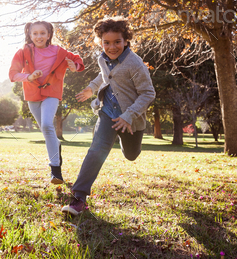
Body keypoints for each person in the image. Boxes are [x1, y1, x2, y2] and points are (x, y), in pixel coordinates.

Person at [61, 17, 155, 215]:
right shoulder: (102, 58)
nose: (112, 47)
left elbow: (148, 93)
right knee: (96, 150)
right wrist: (91, 88)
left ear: (126, 41)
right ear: (100, 42)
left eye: (117, 42)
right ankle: (79, 197)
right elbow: (104, 76)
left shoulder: (135, 64)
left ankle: (123, 139)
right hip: (107, 112)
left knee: (131, 155)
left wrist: (129, 115)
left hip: (130, 119)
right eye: (106, 42)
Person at [9, 21, 85, 184]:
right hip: (32, 93)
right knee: (46, 130)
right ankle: (56, 145)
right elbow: (13, 74)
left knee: (46, 125)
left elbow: (77, 61)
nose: (39, 37)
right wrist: (28, 77)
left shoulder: (58, 51)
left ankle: (55, 171)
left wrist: (74, 66)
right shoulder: (23, 52)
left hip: (52, 92)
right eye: (35, 33)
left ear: (49, 35)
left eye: (42, 33)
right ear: (30, 35)